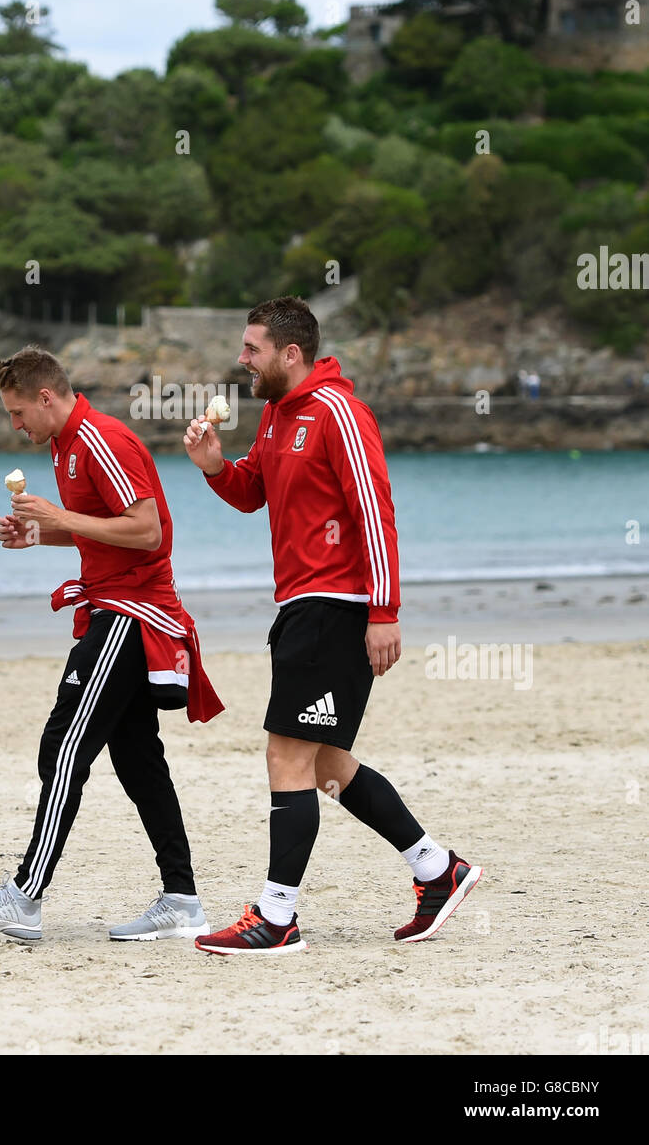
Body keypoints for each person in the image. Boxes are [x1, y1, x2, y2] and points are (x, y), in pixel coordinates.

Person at [183, 297, 482, 954]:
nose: (243, 360)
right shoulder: (275, 413)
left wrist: (384, 611)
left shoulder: (337, 412)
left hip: (337, 607)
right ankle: (438, 869)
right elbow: (252, 492)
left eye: (252, 348)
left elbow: (374, 510)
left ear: (291, 353)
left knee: (286, 754)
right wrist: (212, 466)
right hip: (299, 607)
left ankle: (276, 915)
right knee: (326, 765)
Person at [0, 347, 222, 943]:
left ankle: (24, 897)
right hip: (112, 605)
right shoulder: (62, 444)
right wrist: (38, 534)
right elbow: (107, 535)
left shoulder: (100, 438)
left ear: (47, 397)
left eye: (18, 412)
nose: (15, 425)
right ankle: (182, 899)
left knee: (64, 747)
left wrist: (62, 521)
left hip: (133, 613)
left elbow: (147, 531)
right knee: (137, 759)